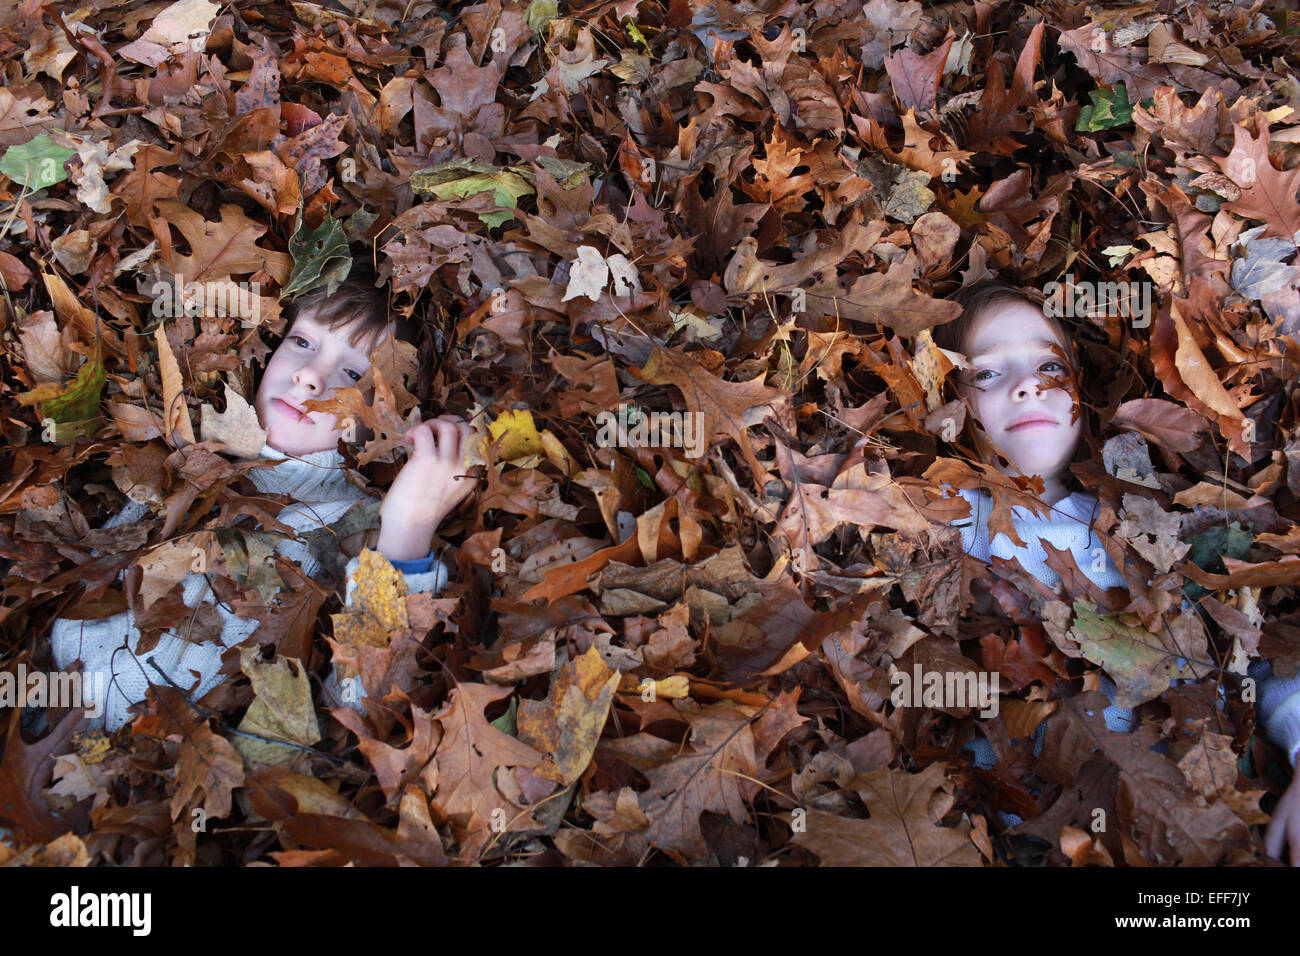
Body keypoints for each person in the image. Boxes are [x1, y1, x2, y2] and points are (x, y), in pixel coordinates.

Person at [929, 279, 1300, 864]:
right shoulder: (942, 517)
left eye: (1050, 365)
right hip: (1018, 834)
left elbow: (1247, 663)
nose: (1029, 384)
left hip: (1190, 822)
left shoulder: (1145, 517)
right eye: (987, 373)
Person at [49, 278, 477, 731]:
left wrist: (407, 532)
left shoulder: (360, 527)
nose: (311, 375)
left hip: (164, 770)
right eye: (302, 341)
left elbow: (356, 715)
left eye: (353, 375)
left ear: (386, 418)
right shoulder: (178, 451)